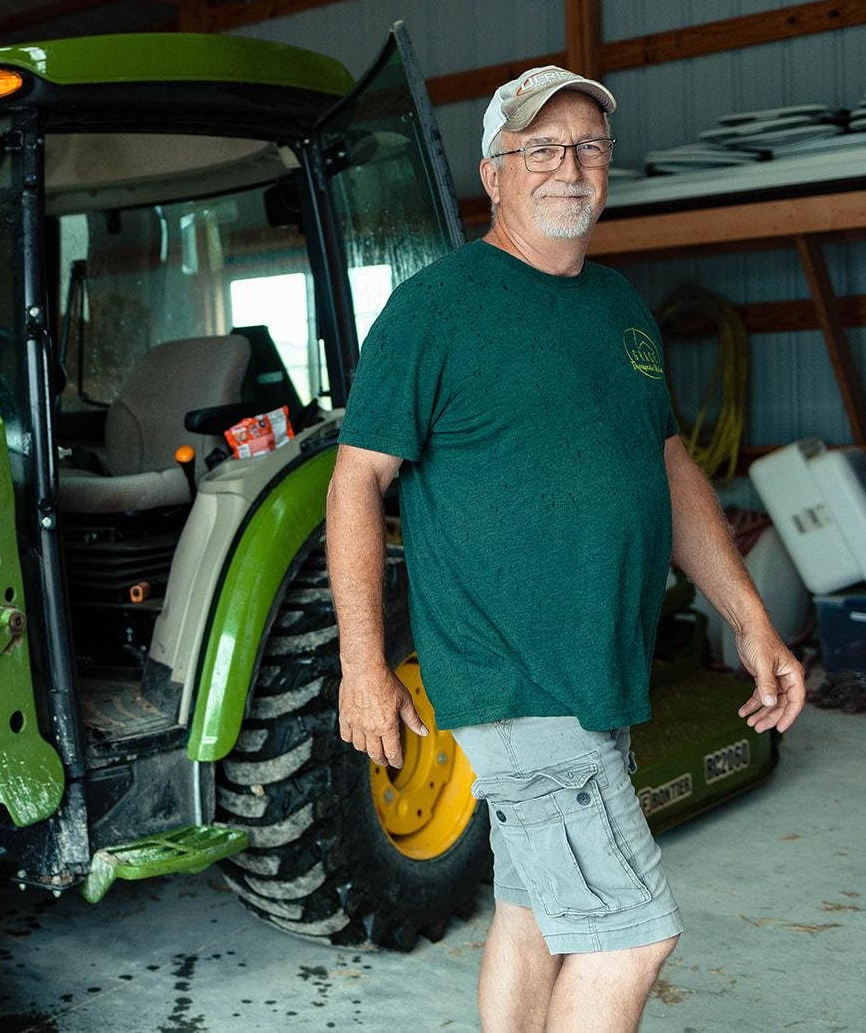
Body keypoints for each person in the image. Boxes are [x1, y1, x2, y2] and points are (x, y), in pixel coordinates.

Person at [324, 65, 806, 1033]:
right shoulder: (435, 310)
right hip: (519, 681)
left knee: (533, 910)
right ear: (493, 174)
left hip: (594, 672)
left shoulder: (619, 306)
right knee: (630, 935)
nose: (569, 167)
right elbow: (355, 481)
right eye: (541, 148)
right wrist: (362, 665)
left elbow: (666, 468)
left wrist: (751, 620)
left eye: (588, 145)